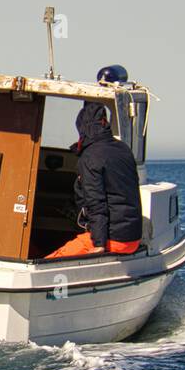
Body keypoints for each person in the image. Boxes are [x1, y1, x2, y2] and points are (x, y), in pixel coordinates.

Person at [46, 101, 143, 258]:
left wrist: (99, 244)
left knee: (49, 262)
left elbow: (95, 203)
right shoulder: (123, 149)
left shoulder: (90, 157)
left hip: (112, 240)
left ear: (83, 128)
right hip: (132, 239)